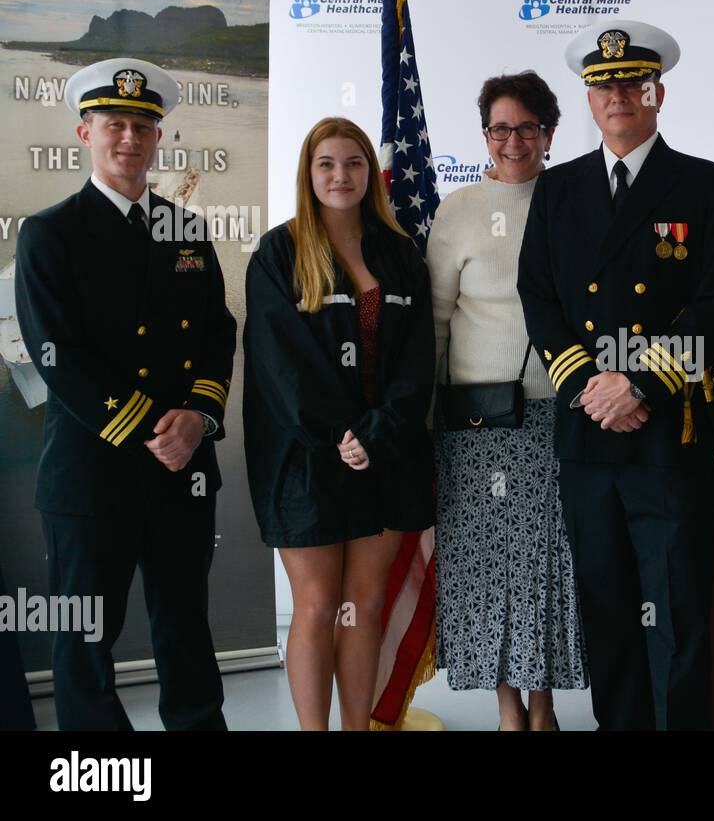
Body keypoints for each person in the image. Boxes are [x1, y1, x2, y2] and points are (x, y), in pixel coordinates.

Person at [517, 20, 714, 730]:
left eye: (630, 82)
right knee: (607, 603)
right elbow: (540, 296)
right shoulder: (558, 189)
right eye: (602, 85)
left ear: (657, 92)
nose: (616, 95)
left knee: (676, 605)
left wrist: (639, 383)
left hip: (668, 434)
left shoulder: (705, 185)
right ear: (588, 102)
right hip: (588, 434)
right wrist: (595, 386)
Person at [14, 57, 235, 730]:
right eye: (114, 124)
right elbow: (57, 352)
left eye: (142, 126)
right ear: (84, 134)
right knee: (84, 645)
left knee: (186, 635)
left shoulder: (188, 230)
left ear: (158, 138)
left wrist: (199, 416)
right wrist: (149, 429)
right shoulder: (49, 233)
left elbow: (218, 335)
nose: (129, 139)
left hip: (183, 472)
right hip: (92, 473)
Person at [243, 117, 436, 730]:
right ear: (308, 173)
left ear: (369, 174)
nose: (340, 175)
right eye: (326, 163)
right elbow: (282, 367)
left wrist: (375, 435)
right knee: (319, 606)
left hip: (386, 454)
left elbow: (416, 360)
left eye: (352, 163)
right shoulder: (278, 252)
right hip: (306, 462)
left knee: (366, 603)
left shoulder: (400, 253)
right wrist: (339, 437)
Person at [427, 71, 586, 731]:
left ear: (550, 132)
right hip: (477, 424)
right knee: (488, 568)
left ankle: (543, 707)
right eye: (500, 127)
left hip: (563, 417)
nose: (512, 139)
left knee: (546, 570)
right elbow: (435, 323)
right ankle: (506, 708)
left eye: (527, 126)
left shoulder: (577, 202)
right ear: (484, 134)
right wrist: (427, 423)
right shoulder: (458, 209)